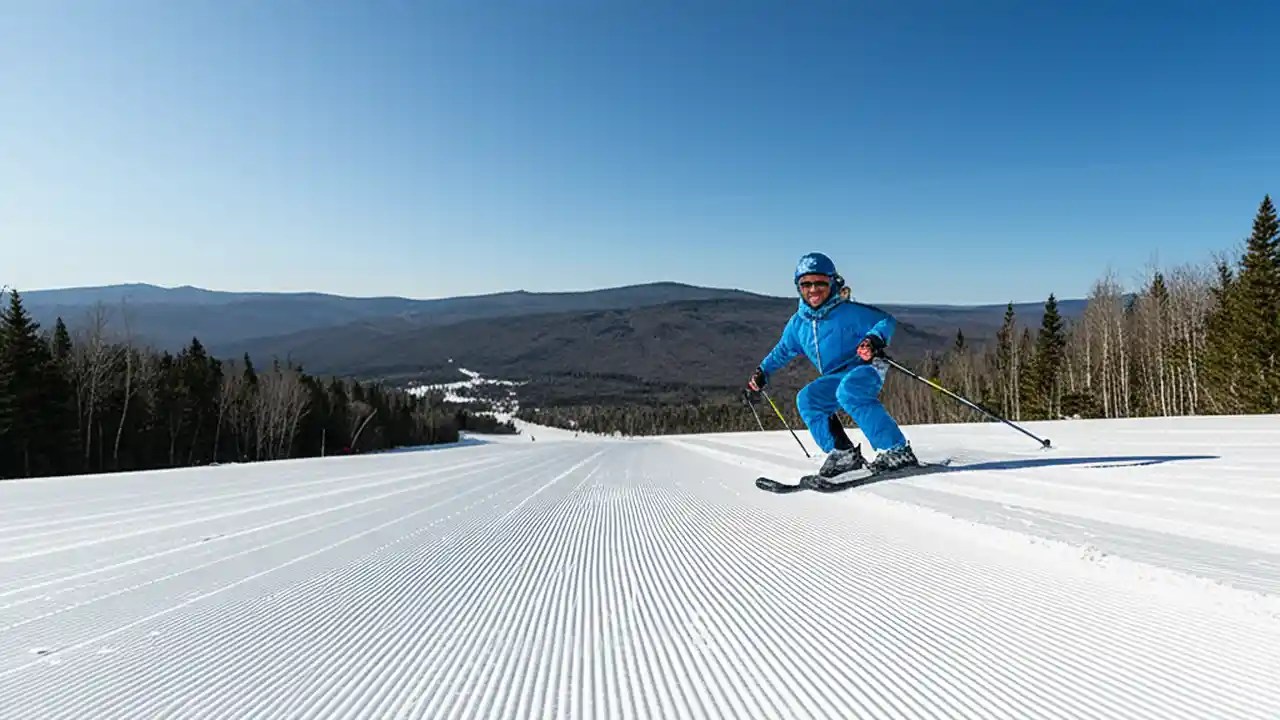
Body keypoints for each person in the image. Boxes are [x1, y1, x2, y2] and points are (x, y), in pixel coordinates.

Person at [746, 252, 916, 477]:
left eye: (820, 283)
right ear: (798, 287)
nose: (813, 289)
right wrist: (763, 371)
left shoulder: (848, 312)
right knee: (808, 399)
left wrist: (874, 339)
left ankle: (896, 450)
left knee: (850, 391)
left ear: (832, 282)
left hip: (867, 367)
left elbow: (885, 321)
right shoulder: (799, 324)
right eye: (806, 284)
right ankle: (843, 454)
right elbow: (783, 350)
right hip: (836, 375)